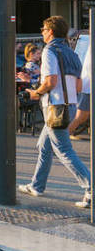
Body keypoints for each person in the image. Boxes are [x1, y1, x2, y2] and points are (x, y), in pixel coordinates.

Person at [20, 16, 91, 207]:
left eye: (43, 29)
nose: (42, 32)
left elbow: (50, 81)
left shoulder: (49, 50)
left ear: (50, 31)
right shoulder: (72, 53)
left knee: (64, 150)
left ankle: (90, 188)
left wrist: (36, 92)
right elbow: (77, 86)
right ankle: (37, 185)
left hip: (54, 107)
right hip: (70, 105)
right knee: (44, 145)